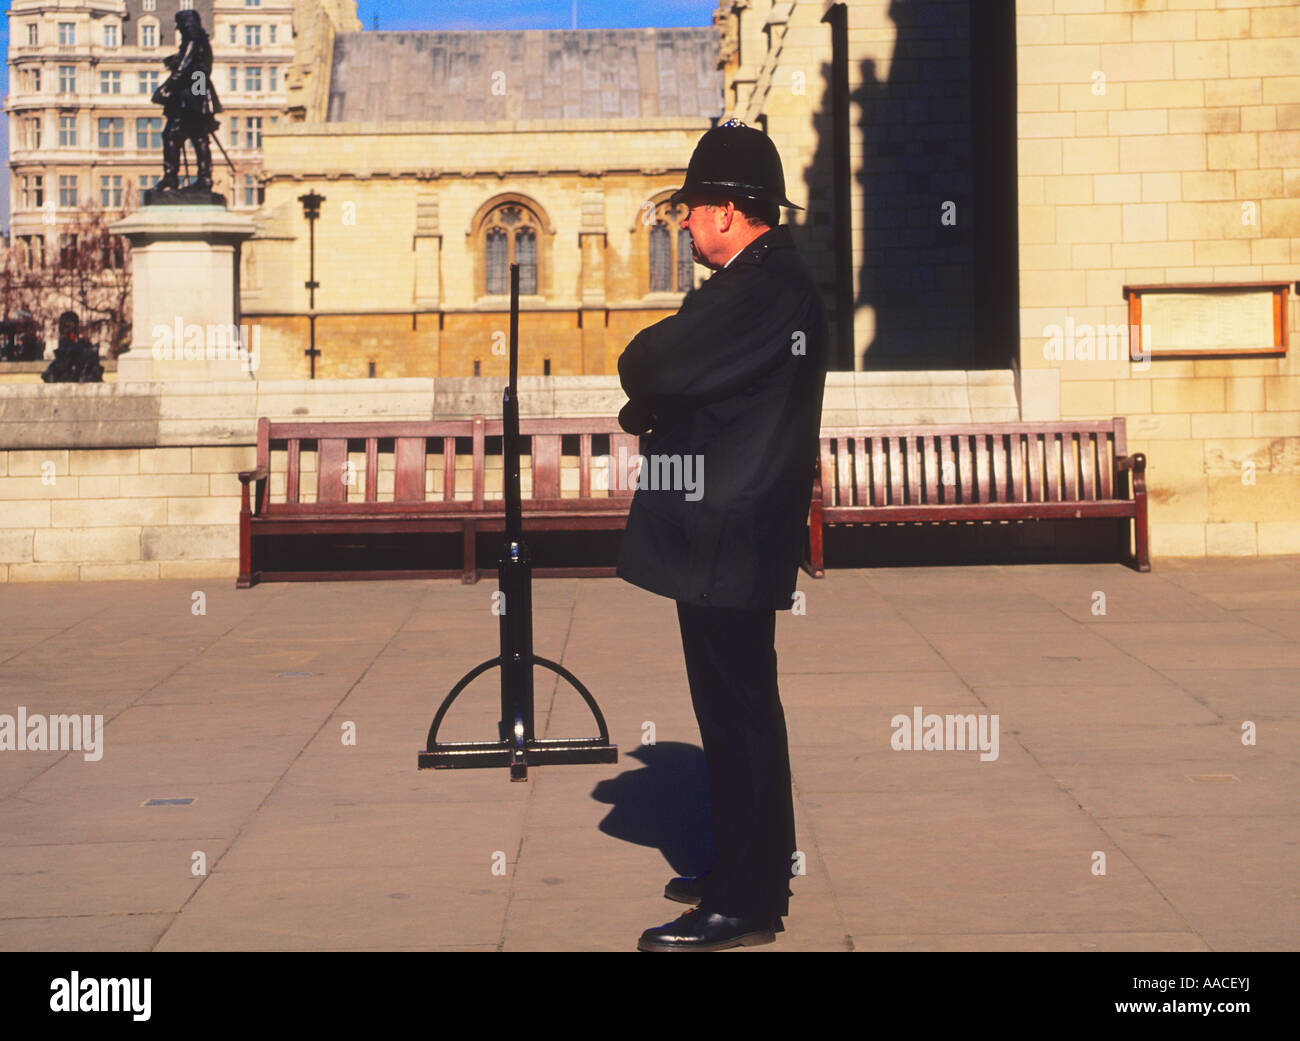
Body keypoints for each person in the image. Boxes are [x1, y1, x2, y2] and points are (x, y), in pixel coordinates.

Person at [615, 118, 828, 951]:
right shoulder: (766, 286)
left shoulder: (763, 289)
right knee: (739, 711)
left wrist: (656, 395)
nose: (686, 221)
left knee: (736, 716)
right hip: (729, 528)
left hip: (729, 533)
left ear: (732, 212)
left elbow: (650, 363)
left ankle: (747, 898)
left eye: (694, 206)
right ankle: (754, 863)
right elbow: (695, 383)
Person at [152, 10, 222, 193]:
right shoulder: (202, 42)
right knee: (199, 137)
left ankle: (171, 176)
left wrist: (165, 89)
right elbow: (198, 70)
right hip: (198, 89)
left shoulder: (193, 41)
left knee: (172, 135)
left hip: (190, 94)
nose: (179, 29)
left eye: (180, 25)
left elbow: (184, 69)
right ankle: (204, 178)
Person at [41, 311, 103, 383]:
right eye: (67, 326)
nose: (69, 329)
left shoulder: (78, 341)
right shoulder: (63, 341)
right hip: (66, 366)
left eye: (71, 326)